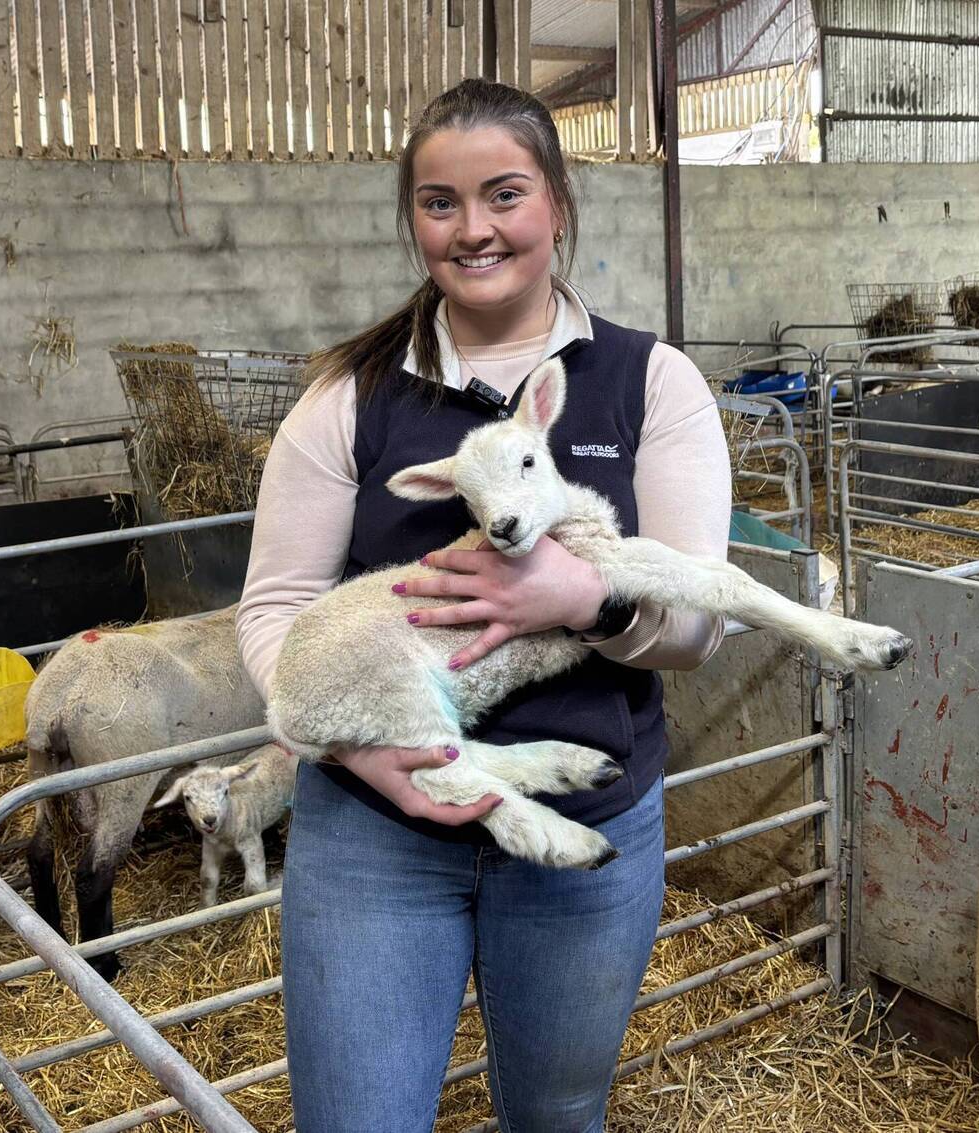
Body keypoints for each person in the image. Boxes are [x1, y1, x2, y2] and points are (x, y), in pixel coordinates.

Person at [235, 77, 731, 1133]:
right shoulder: (349, 396)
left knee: (555, 1111)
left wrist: (584, 596)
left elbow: (693, 626)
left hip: (584, 812)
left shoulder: (648, 383)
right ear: (412, 219)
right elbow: (274, 608)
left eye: (502, 194)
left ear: (554, 200)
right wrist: (361, 748)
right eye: (437, 202)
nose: (472, 230)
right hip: (376, 830)